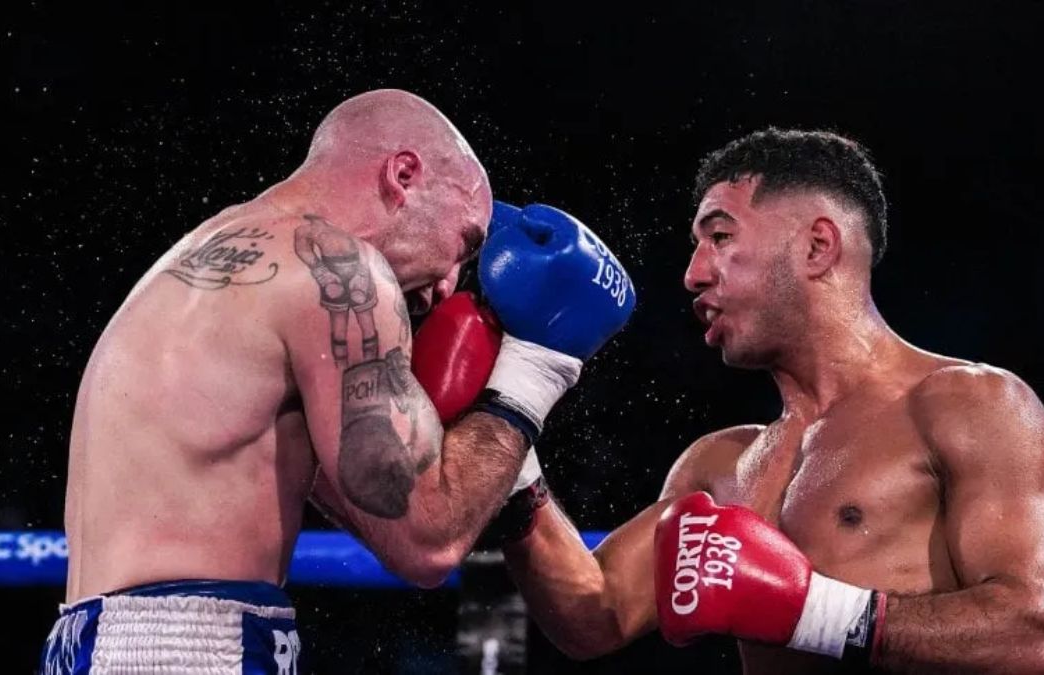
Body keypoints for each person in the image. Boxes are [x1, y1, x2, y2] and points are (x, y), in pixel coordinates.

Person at [39, 89, 635, 673]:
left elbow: (381, 514)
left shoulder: (204, 256)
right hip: (190, 649)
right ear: (403, 175)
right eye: (465, 242)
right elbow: (429, 543)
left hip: (90, 642)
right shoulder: (339, 269)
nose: (452, 284)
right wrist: (536, 367)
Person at [495, 128, 1044, 672]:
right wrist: (506, 418)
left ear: (818, 247)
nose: (693, 274)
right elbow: (595, 615)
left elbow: (1039, 635)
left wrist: (811, 613)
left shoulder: (968, 404)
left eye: (720, 236)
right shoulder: (719, 465)